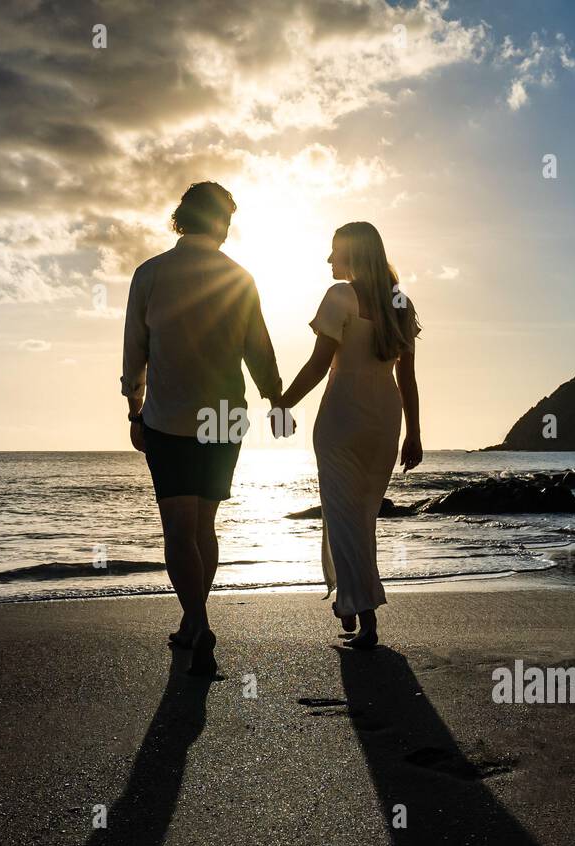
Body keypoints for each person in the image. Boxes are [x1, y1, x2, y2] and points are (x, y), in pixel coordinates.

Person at [121, 182, 282, 676]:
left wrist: (134, 408)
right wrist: (275, 398)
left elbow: (135, 350)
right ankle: (195, 623)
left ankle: (199, 621)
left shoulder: (150, 274)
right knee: (205, 526)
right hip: (225, 415)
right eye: (227, 218)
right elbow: (258, 346)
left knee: (179, 530)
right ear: (217, 223)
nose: (230, 227)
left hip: (169, 417)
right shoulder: (239, 277)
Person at [273, 222, 422, 649]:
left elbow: (320, 365)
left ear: (352, 253)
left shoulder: (340, 297)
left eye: (334, 250)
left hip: (342, 418)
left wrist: (283, 401)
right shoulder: (400, 301)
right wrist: (414, 433)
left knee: (344, 518)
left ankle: (365, 613)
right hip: (384, 418)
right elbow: (407, 378)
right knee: (359, 518)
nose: (328, 259)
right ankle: (350, 603)